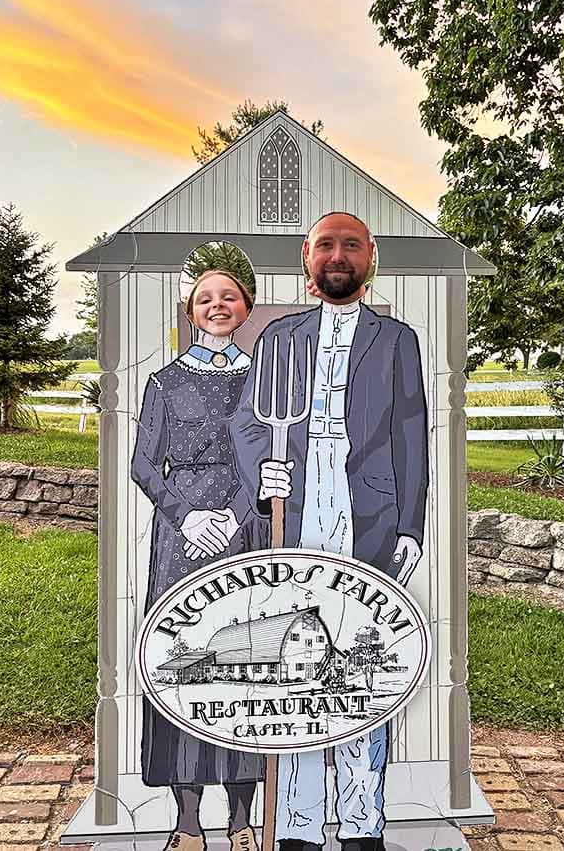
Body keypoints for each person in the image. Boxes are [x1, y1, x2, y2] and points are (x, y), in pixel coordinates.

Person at [228, 212, 429, 851]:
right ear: (305, 257)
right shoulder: (279, 339)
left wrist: (410, 525)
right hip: (298, 502)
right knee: (297, 662)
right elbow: (248, 424)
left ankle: (363, 825)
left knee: (361, 667)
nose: (336, 255)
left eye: (350, 245)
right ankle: (300, 828)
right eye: (325, 245)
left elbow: (411, 436)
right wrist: (265, 474)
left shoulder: (396, 340)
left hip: (366, 511)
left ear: (370, 257)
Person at [131, 268, 267, 851]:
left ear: (245, 307)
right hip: (181, 539)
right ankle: (187, 823)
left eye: (228, 297)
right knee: (184, 664)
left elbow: (271, 454)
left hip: (247, 530)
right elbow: (143, 465)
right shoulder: (163, 384)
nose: (217, 305)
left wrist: (236, 516)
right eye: (205, 298)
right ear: (191, 311)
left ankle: (241, 820)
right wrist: (187, 516)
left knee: (250, 663)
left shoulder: (265, 383)